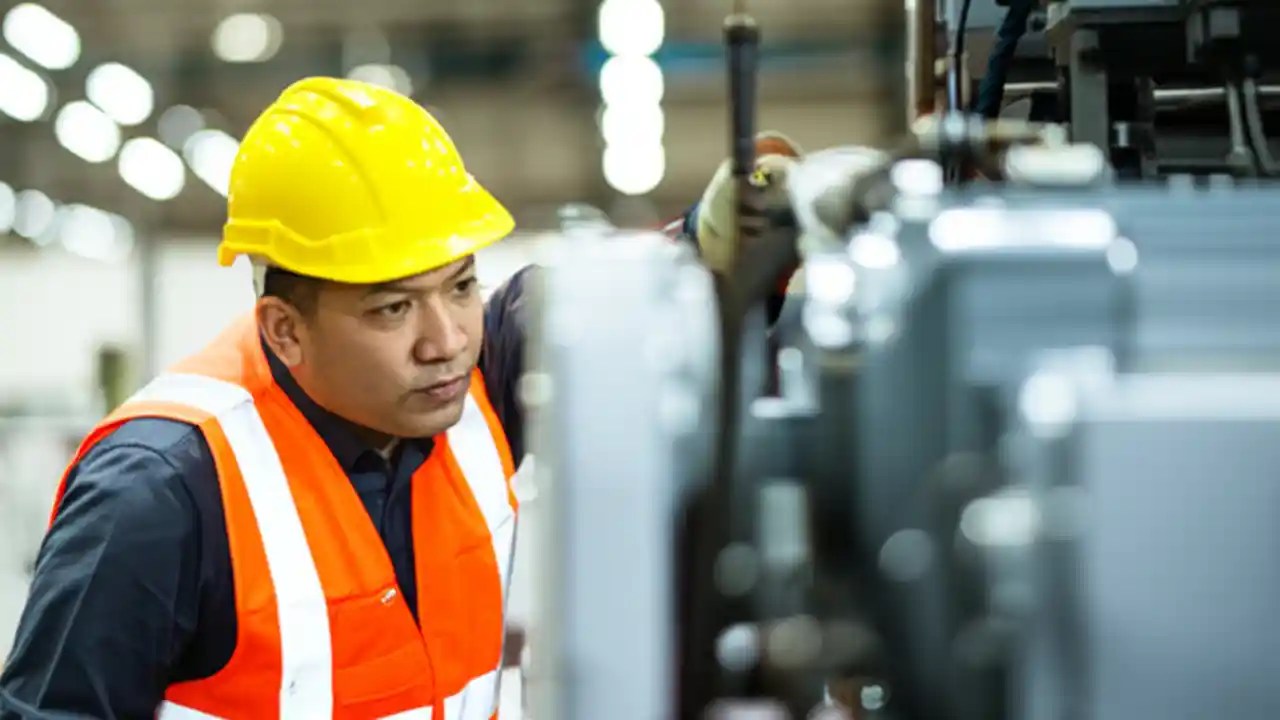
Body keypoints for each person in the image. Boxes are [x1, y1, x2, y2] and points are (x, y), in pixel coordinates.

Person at [0, 77, 795, 719]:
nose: (445, 338)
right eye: (392, 307)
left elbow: (608, 306)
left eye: (460, 285)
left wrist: (714, 231)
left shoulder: (483, 371)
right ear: (284, 330)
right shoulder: (161, 492)